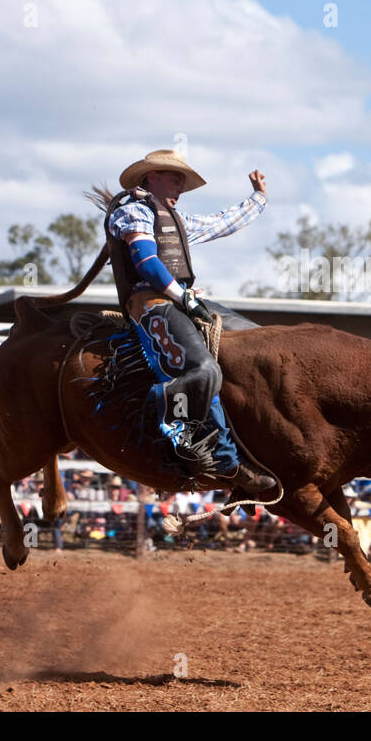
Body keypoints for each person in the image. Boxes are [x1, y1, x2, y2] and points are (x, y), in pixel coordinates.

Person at [99, 149, 274, 495]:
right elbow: (146, 262)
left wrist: (258, 199)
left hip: (180, 301)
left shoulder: (176, 219)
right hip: (150, 303)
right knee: (204, 371)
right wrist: (184, 298)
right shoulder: (133, 210)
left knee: (258, 342)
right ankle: (214, 454)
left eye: (182, 178)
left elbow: (220, 223)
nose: (181, 184)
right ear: (152, 177)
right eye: (174, 176)